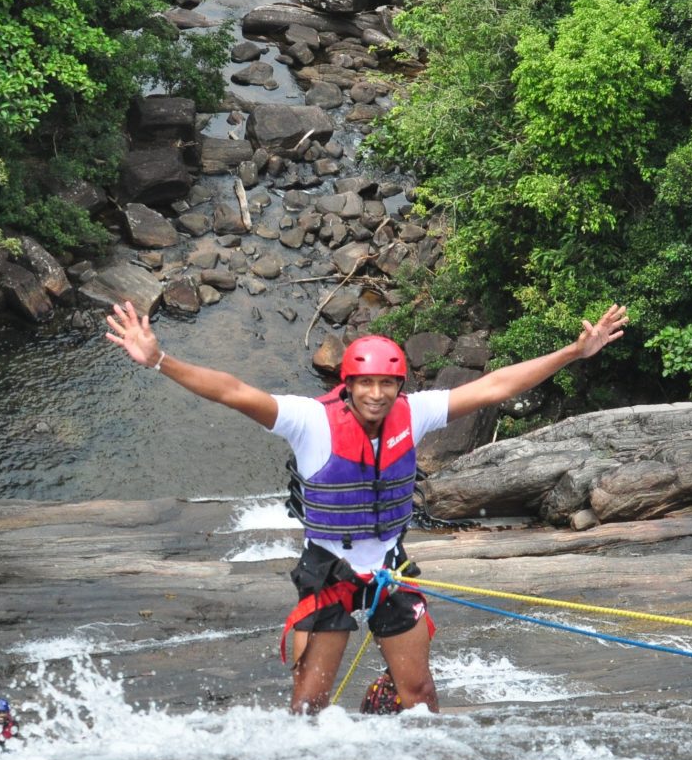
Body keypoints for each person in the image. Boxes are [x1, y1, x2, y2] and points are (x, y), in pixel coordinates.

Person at [105, 300, 627, 714]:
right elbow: (235, 391)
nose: (376, 394)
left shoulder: (414, 413)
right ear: (347, 384)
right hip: (328, 567)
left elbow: (494, 386)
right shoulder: (307, 419)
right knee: (309, 703)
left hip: (389, 568)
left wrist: (572, 353)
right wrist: (160, 361)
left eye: (386, 383)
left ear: (399, 385)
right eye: (365, 383)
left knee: (420, 692)